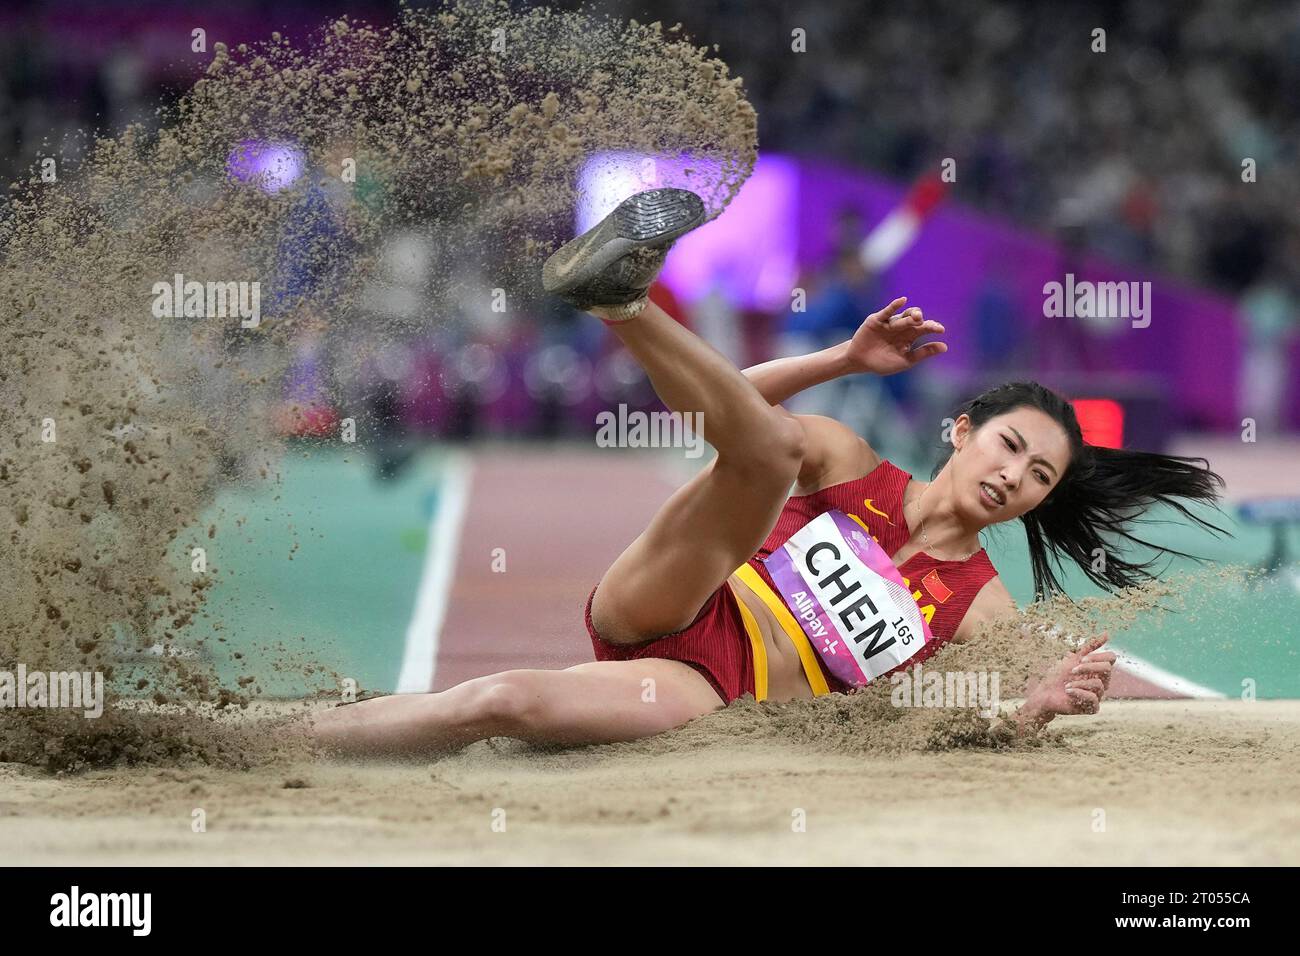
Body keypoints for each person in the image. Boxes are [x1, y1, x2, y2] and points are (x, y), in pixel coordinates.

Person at [308, 189, 1225, 758]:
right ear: (961, 429)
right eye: (1010, 444)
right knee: (774, 445)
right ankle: (622, 301)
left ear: (1038, 502)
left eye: (1039, 476)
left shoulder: (983, 607)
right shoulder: (851, 466)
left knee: (499, 700)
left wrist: (1037, 707)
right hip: (684, 598)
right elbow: (732, 407)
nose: (1015, 474)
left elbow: (954, 726)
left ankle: (295, 744)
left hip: (714, 690)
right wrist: (842, 361)